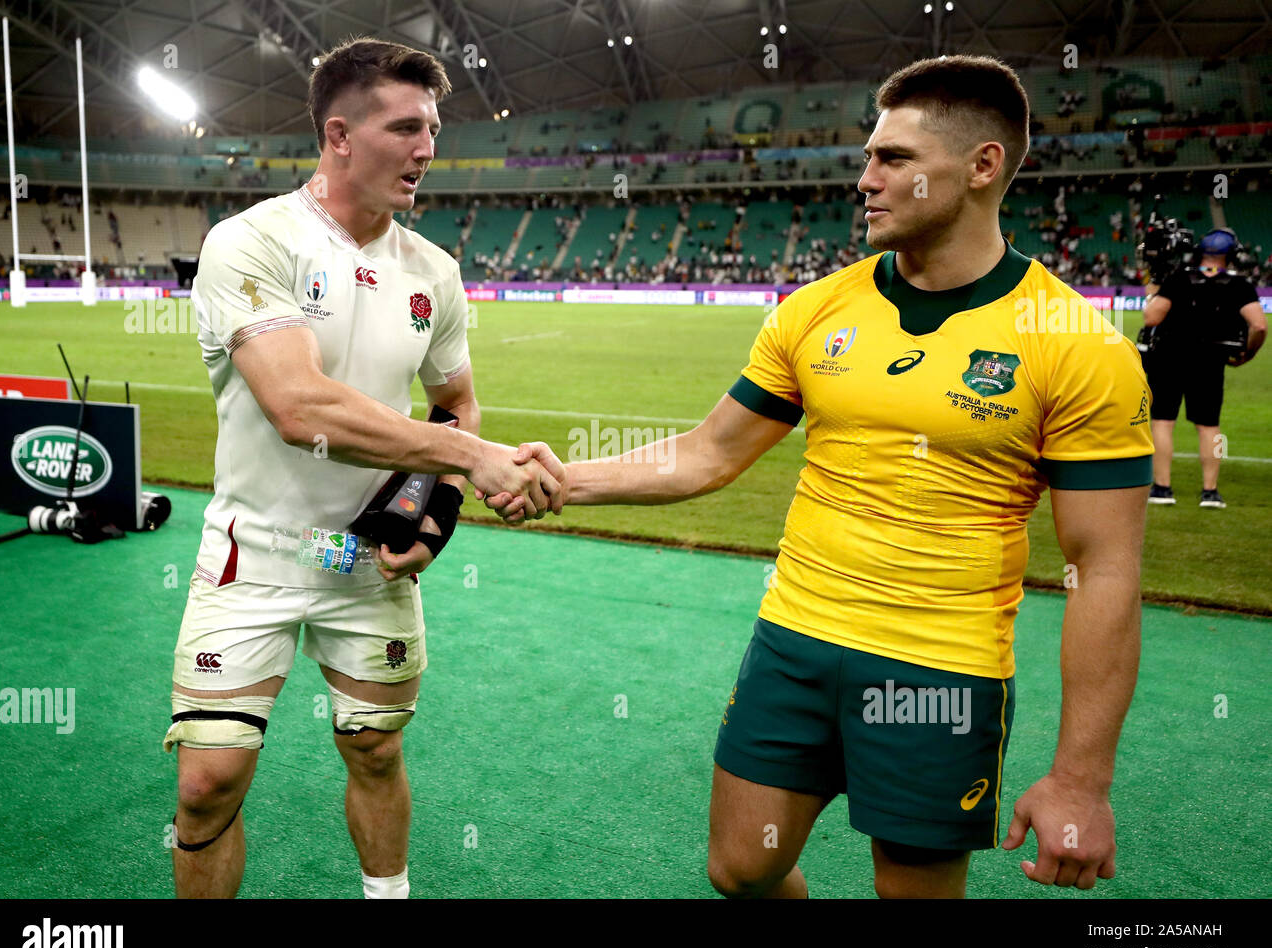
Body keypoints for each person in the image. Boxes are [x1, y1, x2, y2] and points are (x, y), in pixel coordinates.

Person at [485, 55, 1152, 898]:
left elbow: (1106, 568)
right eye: (870, 157)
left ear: (984, 166)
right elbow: (709, 451)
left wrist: (1082, 780)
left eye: (895, 159)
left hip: (938, 674)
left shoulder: (1077, 343)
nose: (865, 180)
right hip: (792, 642)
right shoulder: (815, 308)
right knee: (742, 871)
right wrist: (564, 479)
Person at [166, 38, 564, 899]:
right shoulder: (250, 242)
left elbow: (456, 402)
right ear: (339, 135)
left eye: (433, 128)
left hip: (362, 562)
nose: (428, 149)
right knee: (206, 785)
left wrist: (436, 511)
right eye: (406, 127)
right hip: (254, 553)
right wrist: (472, 460)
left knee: (376, 750)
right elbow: (299, 407)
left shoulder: (436, 272)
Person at [1140, 228, 1266, 508]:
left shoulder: (1179, 277)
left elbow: (1152, 317)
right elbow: (1259, 324)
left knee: (1162, 421)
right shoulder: (1239, 284)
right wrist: (1249, 353)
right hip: (1210, 360)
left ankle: (1162, 489)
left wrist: (1152, 293)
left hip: (1169, 357)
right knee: (1210, 427)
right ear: (1231, 255)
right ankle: (1210, 492)